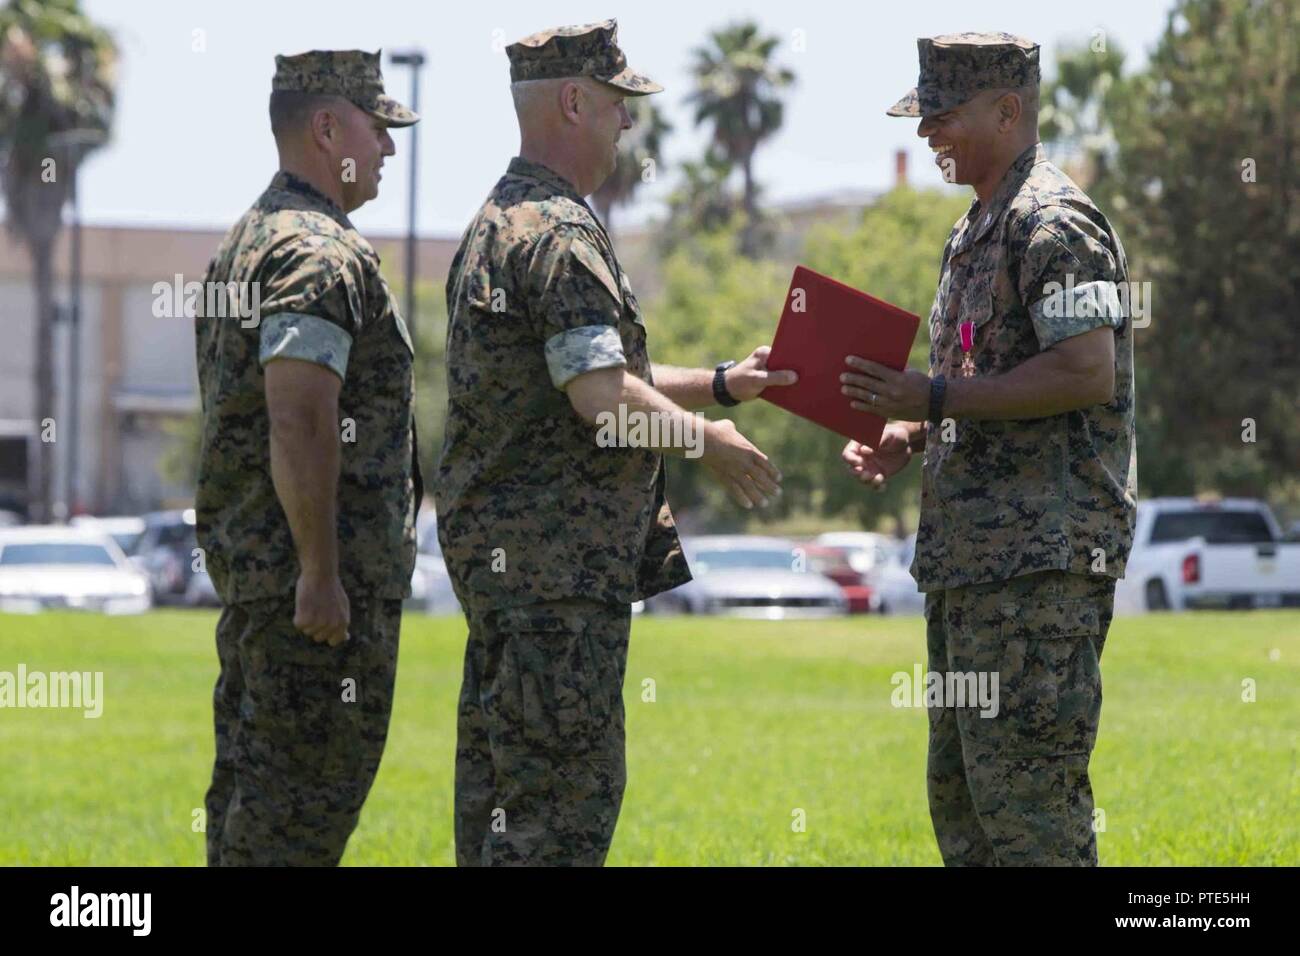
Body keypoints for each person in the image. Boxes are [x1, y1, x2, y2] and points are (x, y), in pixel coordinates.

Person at [436, 19, 795, 866]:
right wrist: (709, 439)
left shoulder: (502, 220)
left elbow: (592, 374)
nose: (628, 123)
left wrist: (718, 383)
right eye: (617, 104)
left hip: (515, 578)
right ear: (572, 101)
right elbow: (603, 401)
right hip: (555, 582)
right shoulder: (559, 233)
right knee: (557, 821)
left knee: (501, 816)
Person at [840, 32, 1136, 866]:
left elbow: (1086, 371)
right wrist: (914, 429)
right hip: (971, 566)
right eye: (923, 117)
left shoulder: (1056, 223)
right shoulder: (977, 228)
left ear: (1008, 110)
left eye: (943, 116)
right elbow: (988, 377)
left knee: (1032, 819)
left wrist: (933, 397)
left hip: (1039, 568)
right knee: (967, 813)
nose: (929, 134)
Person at [195, 49, 421, 866]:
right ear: (328, 128)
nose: (390, 149)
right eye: (378, 127)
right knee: (291, 828)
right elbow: (299, 416)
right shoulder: (315, 252)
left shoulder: (251, 240)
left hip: (266, 587)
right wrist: (320, 572)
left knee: (253, 813)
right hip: (313, 607)